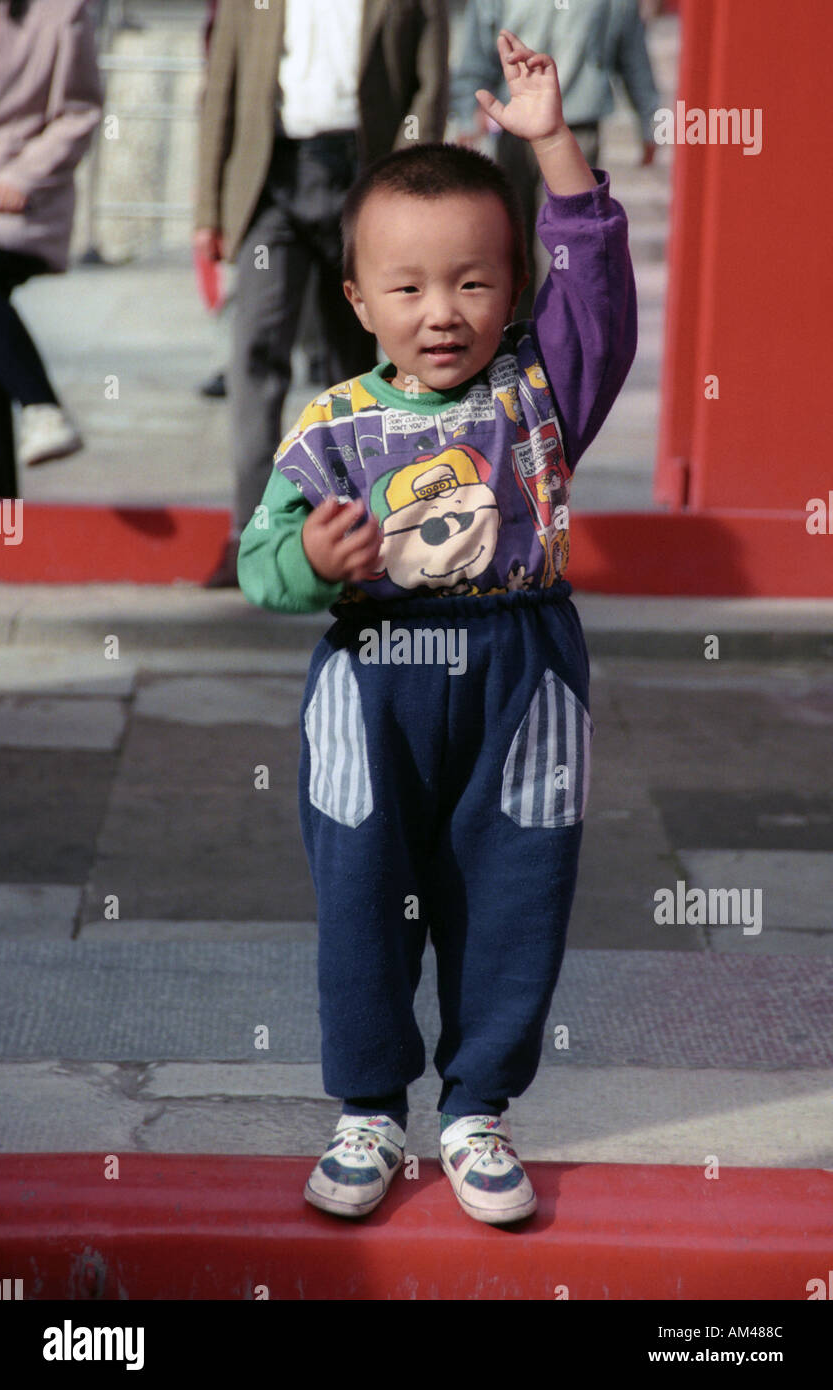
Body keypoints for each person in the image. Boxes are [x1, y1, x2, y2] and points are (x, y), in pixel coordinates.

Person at [238, 28, 636, 1223]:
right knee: (363, 894)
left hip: (523, 670)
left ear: (513, 289)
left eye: (473, 281)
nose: (443, 311)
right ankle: (367, 1107)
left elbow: (599, 294)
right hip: (373, 679)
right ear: (358, 297)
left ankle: (477, 1110)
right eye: (407, 287)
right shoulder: (332, 428)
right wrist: (310, 557)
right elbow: (260, 560)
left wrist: (554, 145)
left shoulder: (539, 393)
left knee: (514, 891)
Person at [194, 0, 449, 586]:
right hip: (272, 175)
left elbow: (429, 87)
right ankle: (250, 531)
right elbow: (222, 88)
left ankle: (352, 530)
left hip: (364, 171)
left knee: (351, 364)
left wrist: (411, 190)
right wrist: (208, 209)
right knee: (255, 351)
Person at [453, 0, 659, 319]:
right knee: (512, 237)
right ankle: (516, 331)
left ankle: (567, 332)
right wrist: (468, 113)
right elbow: (478, 51)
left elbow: (633, 55)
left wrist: (649, 122)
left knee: (573, 237)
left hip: (578, 129)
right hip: (514, 126)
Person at [0, 0, 102, 497]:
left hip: (17, 201)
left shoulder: (59, 12)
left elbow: (80, 112)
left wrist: (23, 176)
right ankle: (3, 519)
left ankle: (41, 404)